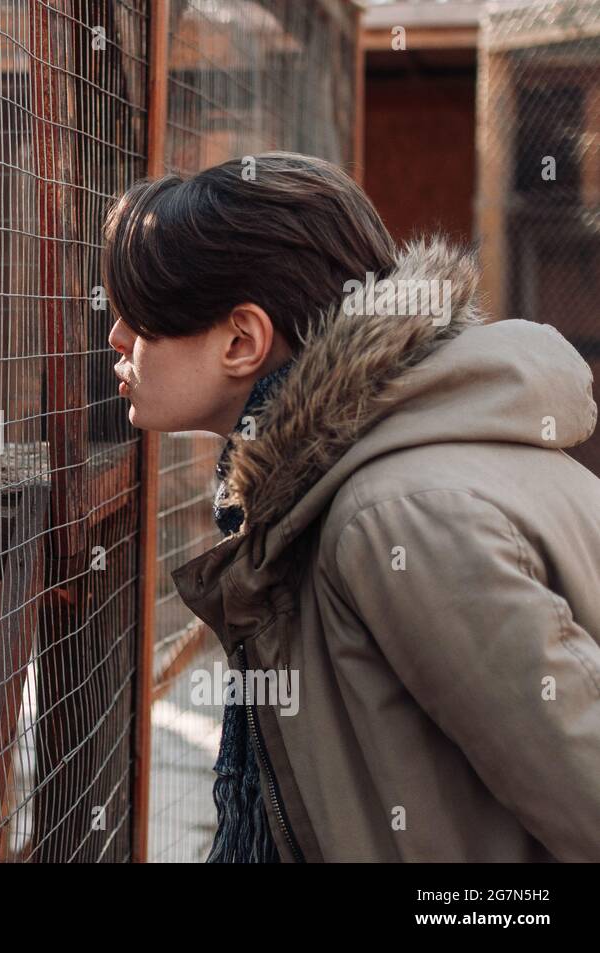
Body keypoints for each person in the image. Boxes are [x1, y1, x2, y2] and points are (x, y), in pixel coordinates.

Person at [103, 151, 600, 862]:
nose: (117, 339)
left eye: (144, 320)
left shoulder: (392, 517)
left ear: (242, 341)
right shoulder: (341, 481)